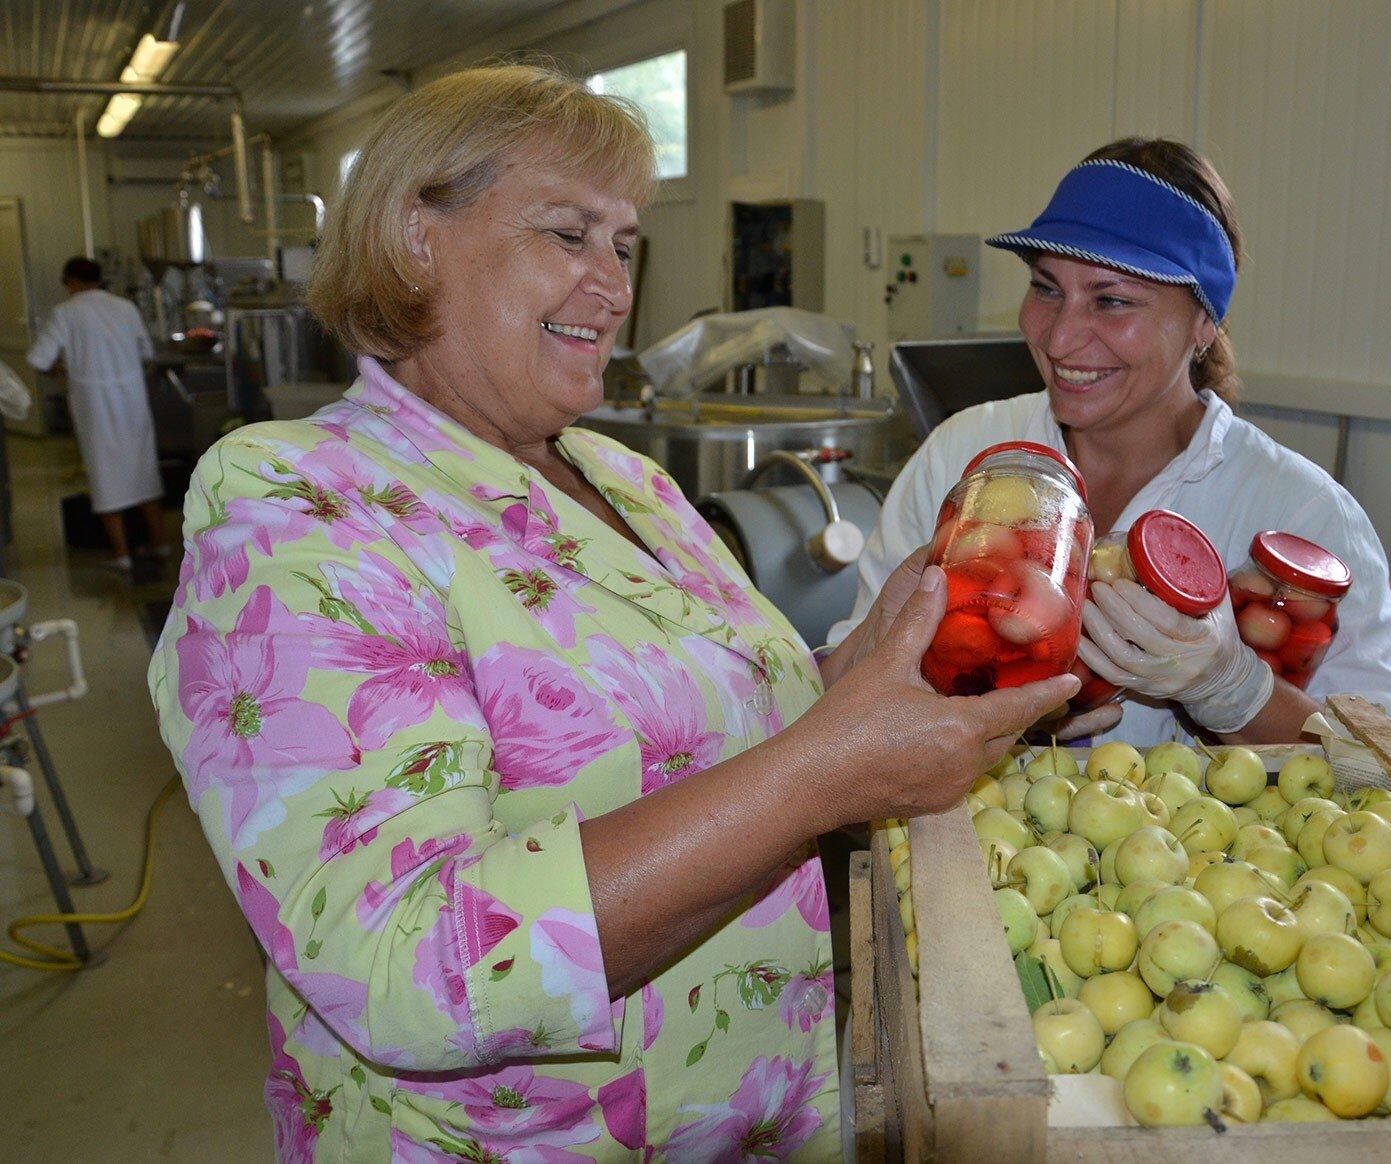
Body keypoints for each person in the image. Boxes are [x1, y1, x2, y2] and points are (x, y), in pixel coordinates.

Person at [147, 66, 1075, 1161]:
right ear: (413, 239)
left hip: (762, 1110)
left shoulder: (619, 478)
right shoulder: (294, 505)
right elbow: (404, 965)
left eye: (623, 245)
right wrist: (833, 769)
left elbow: (727, 745)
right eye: (567, 234)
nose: (612, 284)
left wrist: (872, 659)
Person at [833, 138, 1391, 751]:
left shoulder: (1301, 512)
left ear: (1205, 320)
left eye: (1112, 300)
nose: (1061, 339)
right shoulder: (963, 456)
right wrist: (985, 710)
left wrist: (1233, 689)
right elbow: (849, 693)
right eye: (1046, 288)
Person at [27, 256, 165, 571]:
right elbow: (147, 352)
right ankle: (161, 544)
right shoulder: (125, 308)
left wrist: (64, 367)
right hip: (131, 401)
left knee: (105, 476)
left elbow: (39, 359)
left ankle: (122, 554)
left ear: (72, 282)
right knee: (144, 471)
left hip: (95, 406)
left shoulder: (65, 313)